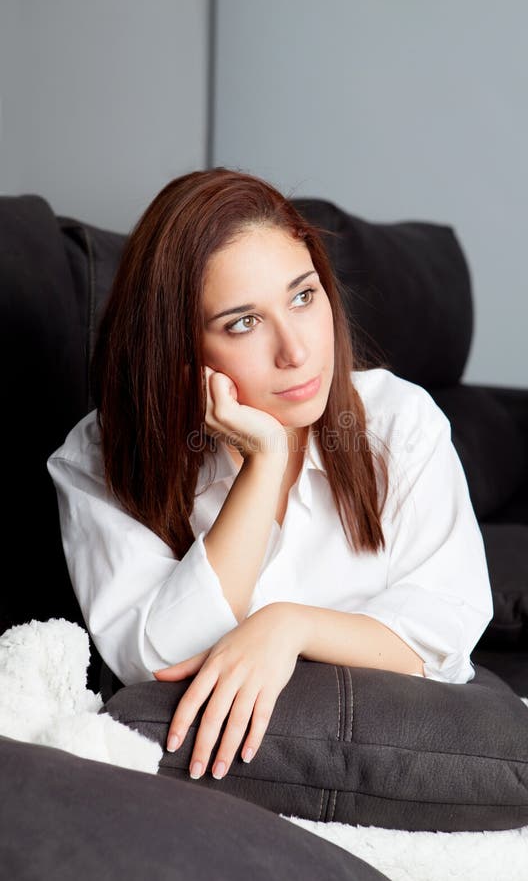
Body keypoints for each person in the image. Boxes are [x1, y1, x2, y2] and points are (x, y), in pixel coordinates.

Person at [47, 167, 493, 784]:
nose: (297, 350)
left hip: (385, 773)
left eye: (303, 297)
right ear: (177, 349)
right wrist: (263, 467)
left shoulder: (399, 421)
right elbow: (157, 663)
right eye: (243, 323)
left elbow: (447, 633)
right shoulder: (98, 458)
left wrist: (288, 626)